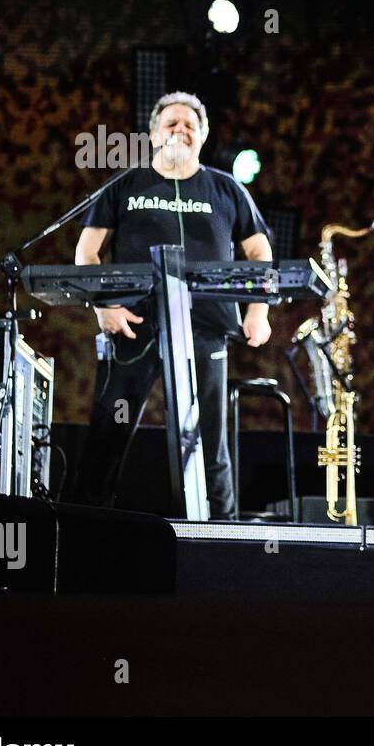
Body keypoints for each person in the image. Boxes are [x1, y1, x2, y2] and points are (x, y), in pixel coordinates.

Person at [72, 91, 273, 519]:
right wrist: (103, 307)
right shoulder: (125, 184)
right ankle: (82, 529)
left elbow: (260, 253)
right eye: (171, 124)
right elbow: (85, 253)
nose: (180, 130)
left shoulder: (226, 189)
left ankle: (222, 536)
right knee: (109, 433)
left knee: (210, 441)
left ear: (202, 136)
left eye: (189, 125)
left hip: (205, 327)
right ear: (153, 134)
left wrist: (258, 311)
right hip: (134, 327)